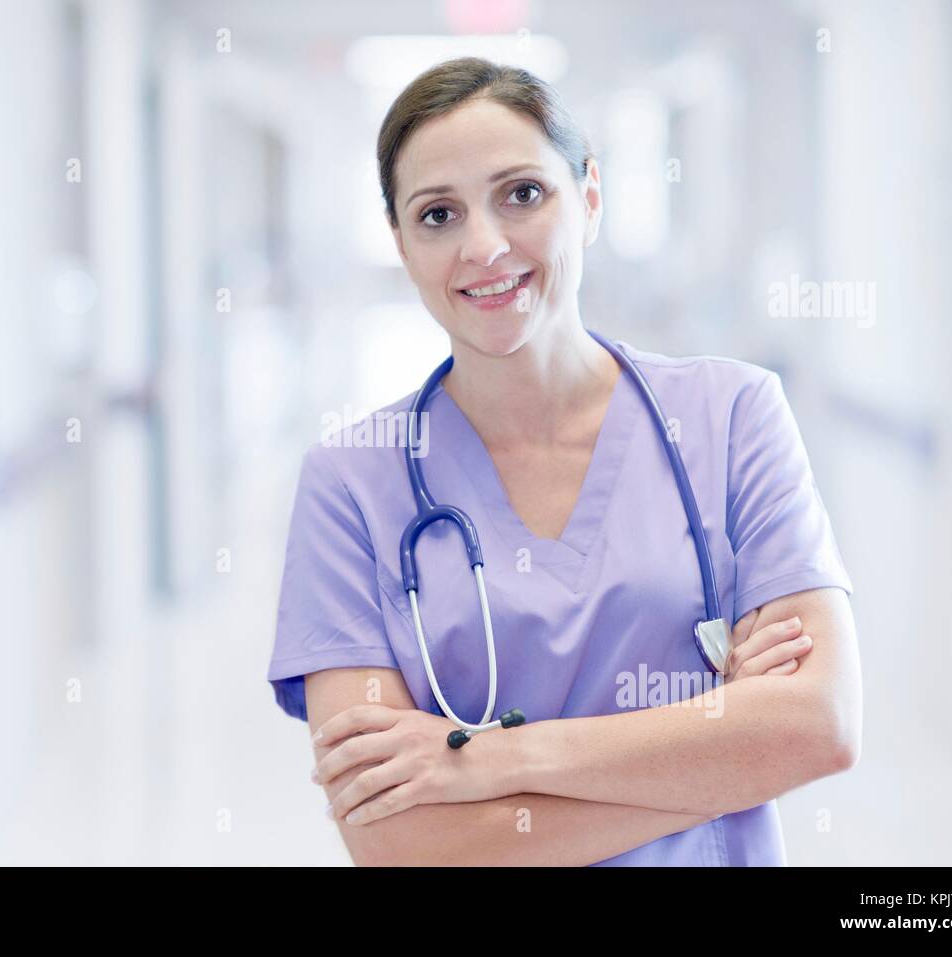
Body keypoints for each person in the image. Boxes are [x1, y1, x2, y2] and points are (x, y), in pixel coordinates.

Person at [266, 56, 862, 866]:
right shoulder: (350, 483)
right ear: (401, 246)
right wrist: (718, 747)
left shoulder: (732, 416)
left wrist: (487, 755)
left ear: (589, 198)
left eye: (522, 194)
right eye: (438, 214)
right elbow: (398, 840)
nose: (484, 245)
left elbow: (816, 727)